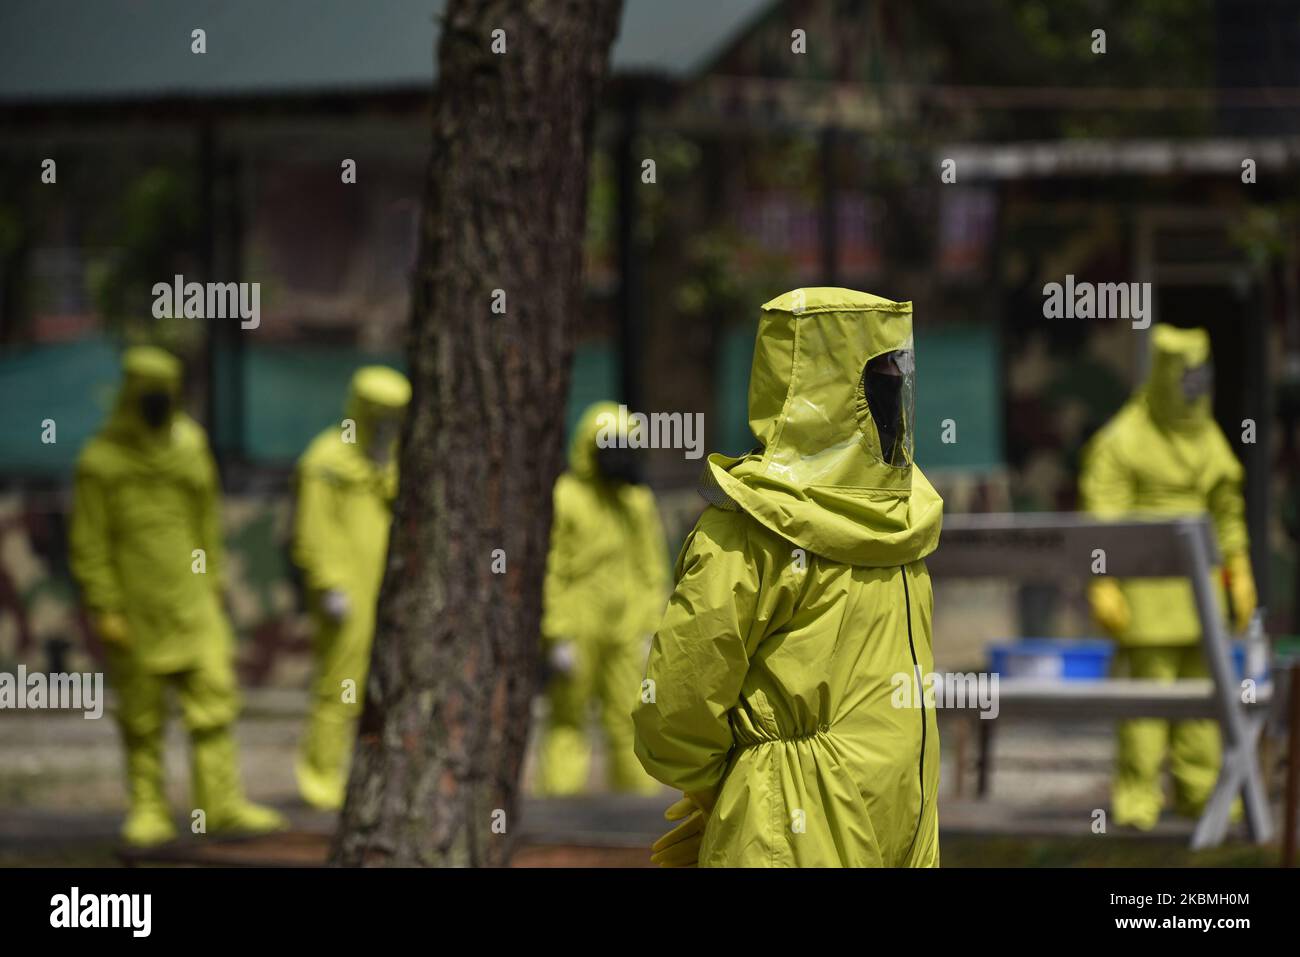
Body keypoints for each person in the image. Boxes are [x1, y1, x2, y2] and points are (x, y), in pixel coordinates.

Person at [633, 288, 944, 867]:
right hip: (793, 830)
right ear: (822, 389)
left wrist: (713, 787)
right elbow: (678, 703)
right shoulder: (751, 533)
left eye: (897, 374)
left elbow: (677, 716)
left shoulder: (903, 517)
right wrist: (731, 788)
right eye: (878, 376)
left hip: (887, 824)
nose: (893, 394)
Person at [70, 346, 286, 847]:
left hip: (193, 606)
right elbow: (90, 541)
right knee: (142, 717)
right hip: (137, 610)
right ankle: (148, 809)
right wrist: (105, 606)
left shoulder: (190, 446)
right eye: (148, 392)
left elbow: (206, 519)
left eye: (164, 392)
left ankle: (221, 805)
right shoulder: (100, 462)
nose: (156, 403)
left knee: (214, 702)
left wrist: (212, 584)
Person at [1080, 323, 1256, 830]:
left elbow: (1227, 507)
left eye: (1199, 380)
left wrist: (1239, 569)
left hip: (1203, 599)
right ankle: (1138, 798)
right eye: (1186, 380)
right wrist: (1104, 581)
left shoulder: (1209, 438)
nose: (1193, 392)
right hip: (1148, 601)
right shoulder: (1123, 439)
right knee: (1145, 705)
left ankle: (1202, 793)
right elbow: (1103, 516)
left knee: (1204, 701)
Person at [292, 365, 411, 810]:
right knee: (340, 686)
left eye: (396, 414)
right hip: (347, 594)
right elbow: (313, 529)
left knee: (395, 688)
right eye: (380, 413)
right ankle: (321, 782)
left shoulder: (397, 458)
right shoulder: (327, 459)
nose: (388, 423)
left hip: (394, 590)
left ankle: (380, 781)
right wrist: (328, 585)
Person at [537, 401, 669, 795]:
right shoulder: (566, 497)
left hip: (627, 629)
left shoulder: (637, 502)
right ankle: (559, 813)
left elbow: (652, 569)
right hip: (578, 627)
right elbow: (552, 569)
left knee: (630, 718)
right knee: (567, 719)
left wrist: (650, 627)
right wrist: (557, 634)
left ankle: (635, 814)